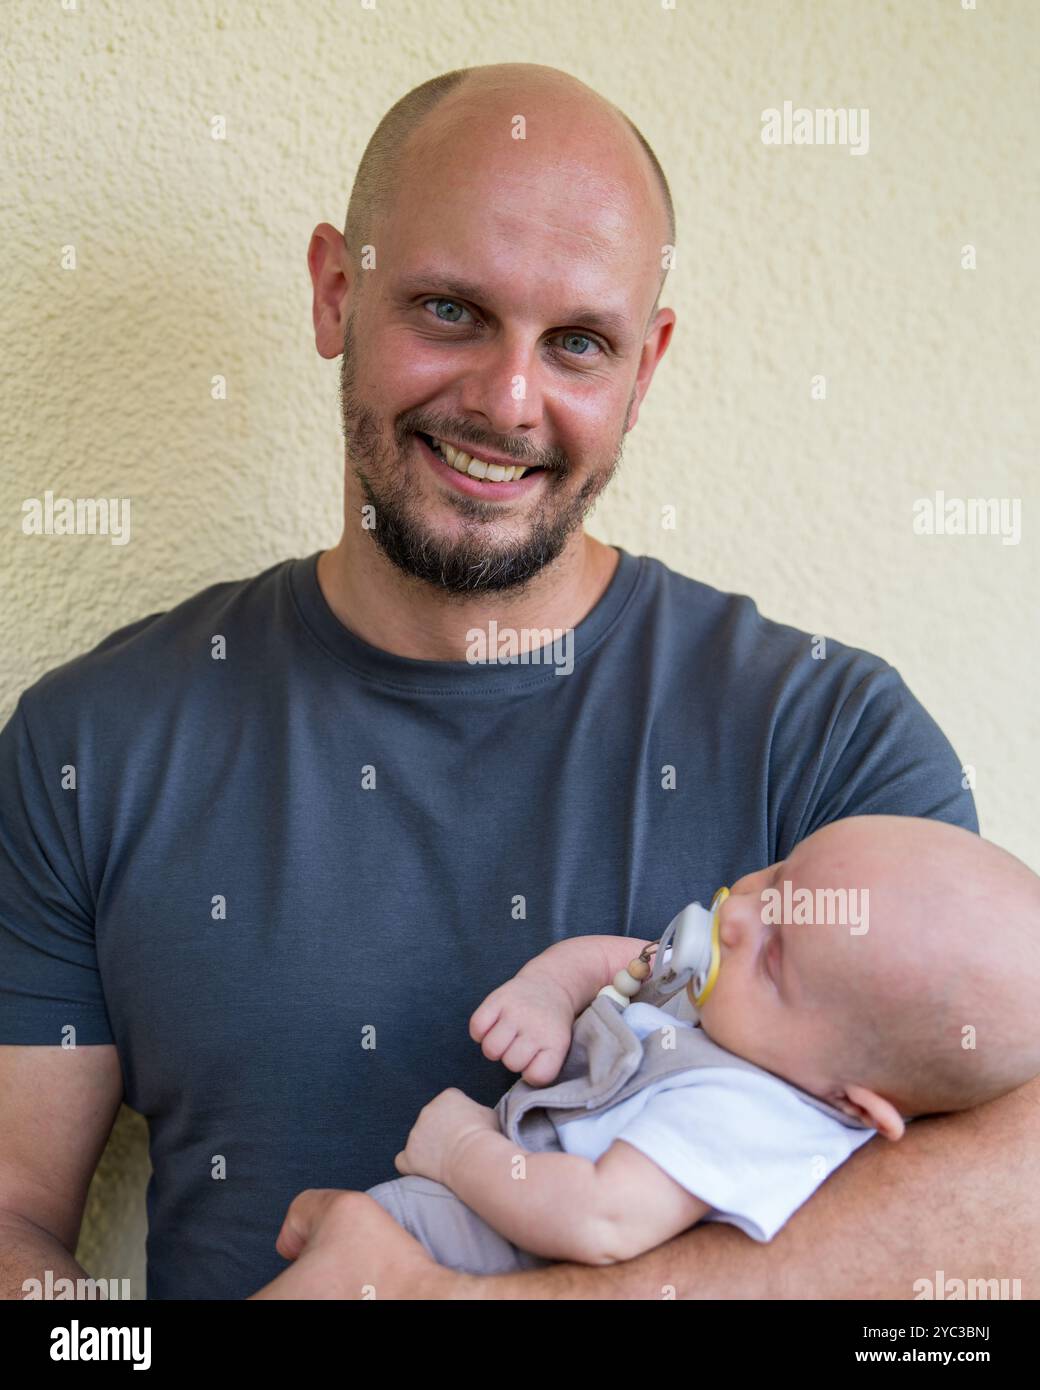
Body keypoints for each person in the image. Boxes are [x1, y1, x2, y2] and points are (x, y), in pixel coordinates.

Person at [0, 62, 1030, 1303]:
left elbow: (988, 1229)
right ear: (337, 291)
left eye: (578, 343)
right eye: (448, 310)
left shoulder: (828, 745)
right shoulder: (95, 742)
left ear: (643, 370)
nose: (506, 400)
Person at [362, 816, 1040, 1274]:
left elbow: (599, 1220)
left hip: (497, 1248)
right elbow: (617, 963)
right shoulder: (739, 1012)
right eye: (780, 880)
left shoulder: (749, 1115)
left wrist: (460, 1151)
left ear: (854, 1104)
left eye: (776, 957)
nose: (738, 915)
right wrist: (545, 992)